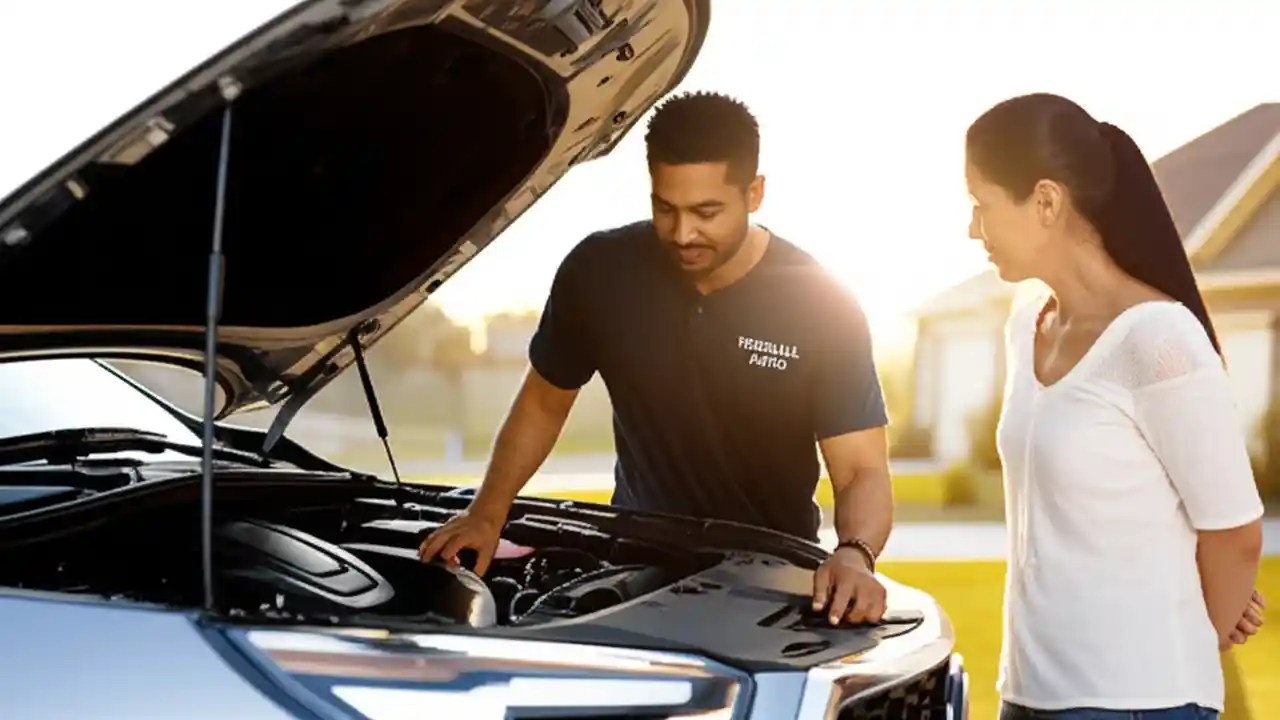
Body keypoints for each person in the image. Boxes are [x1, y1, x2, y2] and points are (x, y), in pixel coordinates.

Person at [419, 91, 894, 625]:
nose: (683, 233)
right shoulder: (598, 272)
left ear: (754, 193)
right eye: (664, 208)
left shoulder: (820, 303)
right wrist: (488, 512)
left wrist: (856, 552)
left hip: (770, 582)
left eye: (706, 212)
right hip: (633, 569)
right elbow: (544, 403)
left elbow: (859, 469)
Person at [964, 92, 1267, 720]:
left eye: (982, 205)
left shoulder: (1159, 340)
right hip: (1026, 693)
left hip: (1138, 703)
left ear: (1045, 201)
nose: (973, 229)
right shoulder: (1026, 329)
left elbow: (1234, 532)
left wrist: (1180, 641)